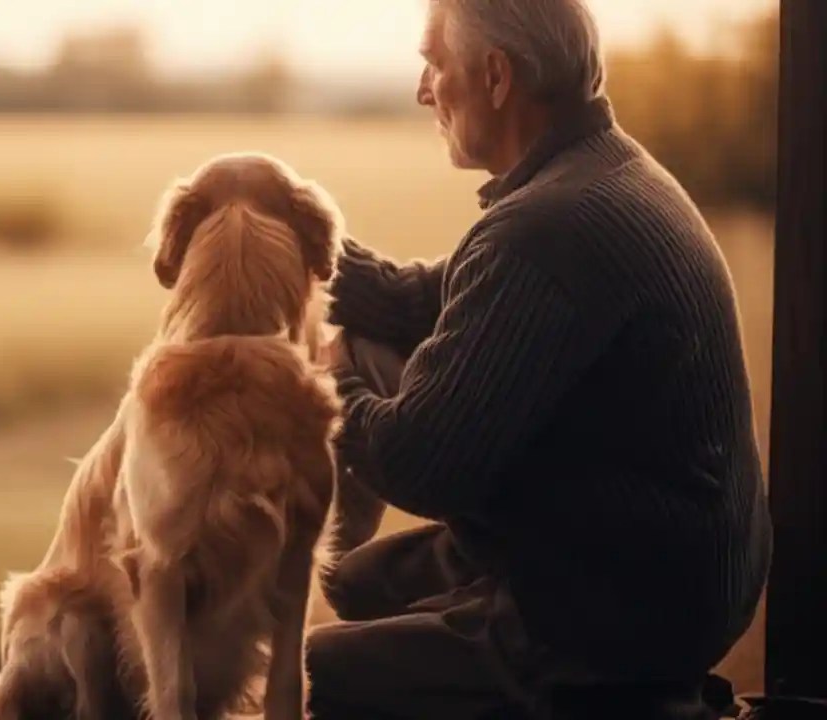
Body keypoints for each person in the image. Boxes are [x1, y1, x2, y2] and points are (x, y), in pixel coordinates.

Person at [306, 1, 772, 718]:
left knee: (315, 671)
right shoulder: (598, 173)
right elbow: (421, 301)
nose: (423, 90)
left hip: (616, 610)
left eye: (435, 63)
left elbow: (418, 462)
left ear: (496, 77)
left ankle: (629, 702)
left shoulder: (546, 229)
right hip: (648, 559)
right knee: (350, 583)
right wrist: (286, 232)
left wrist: (324, 372)